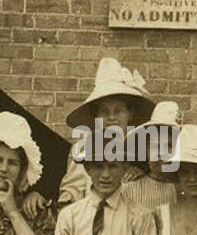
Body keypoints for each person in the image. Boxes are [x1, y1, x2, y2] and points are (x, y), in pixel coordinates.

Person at [58, 57, 156, 207]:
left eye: (118, 111)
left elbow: (159, 181)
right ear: (96, 116)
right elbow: (72, 189)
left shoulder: (142, 147)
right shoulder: (86, 148)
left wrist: (143, 173)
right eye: (105, 111)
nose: (111, 117)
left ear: (130, 114)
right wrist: (68, 199)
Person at [119, 100, 180, 213]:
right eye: (153, 146)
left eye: (168, 146)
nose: (160, 154)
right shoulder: (129, 189)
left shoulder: (186, 188)